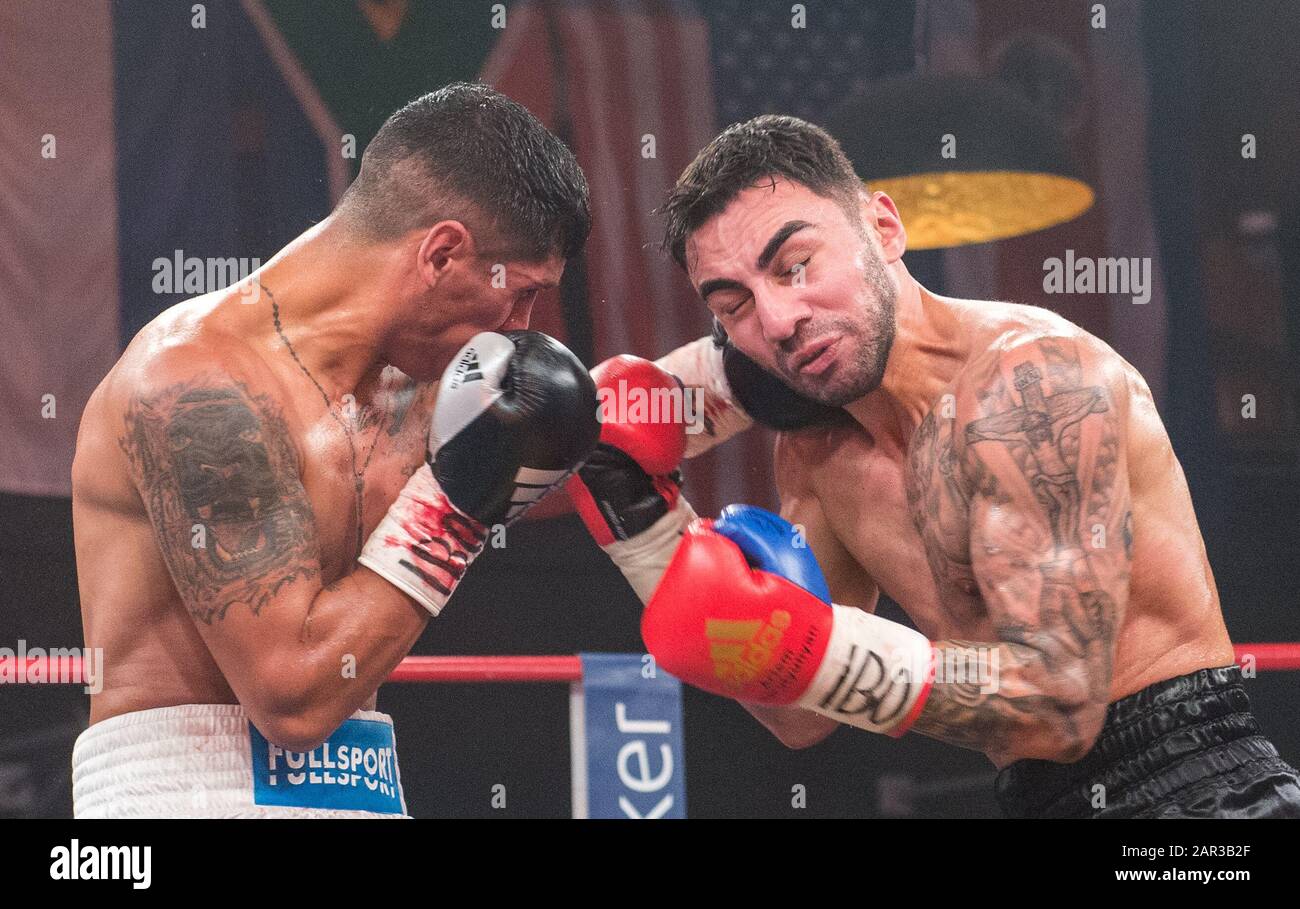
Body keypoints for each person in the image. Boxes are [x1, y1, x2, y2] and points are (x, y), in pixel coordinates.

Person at [570, 114, 1300, 818]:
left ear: (884, 229)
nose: (779, 319)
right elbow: (797, 717)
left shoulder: (1032, 383)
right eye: (735, 307)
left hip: (1200, 793)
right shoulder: (816, 455)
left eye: (796, 266)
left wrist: (828, 648)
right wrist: (648, 532)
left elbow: (1062, 703)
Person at [69, 83, 598, 818]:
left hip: (365, 786)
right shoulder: (198, 384)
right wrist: (460, 506)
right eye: (522, 294)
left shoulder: (420, 389)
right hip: (188, 793)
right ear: (441, 253)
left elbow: (607, 414)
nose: (521, 328)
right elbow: (293, 694)